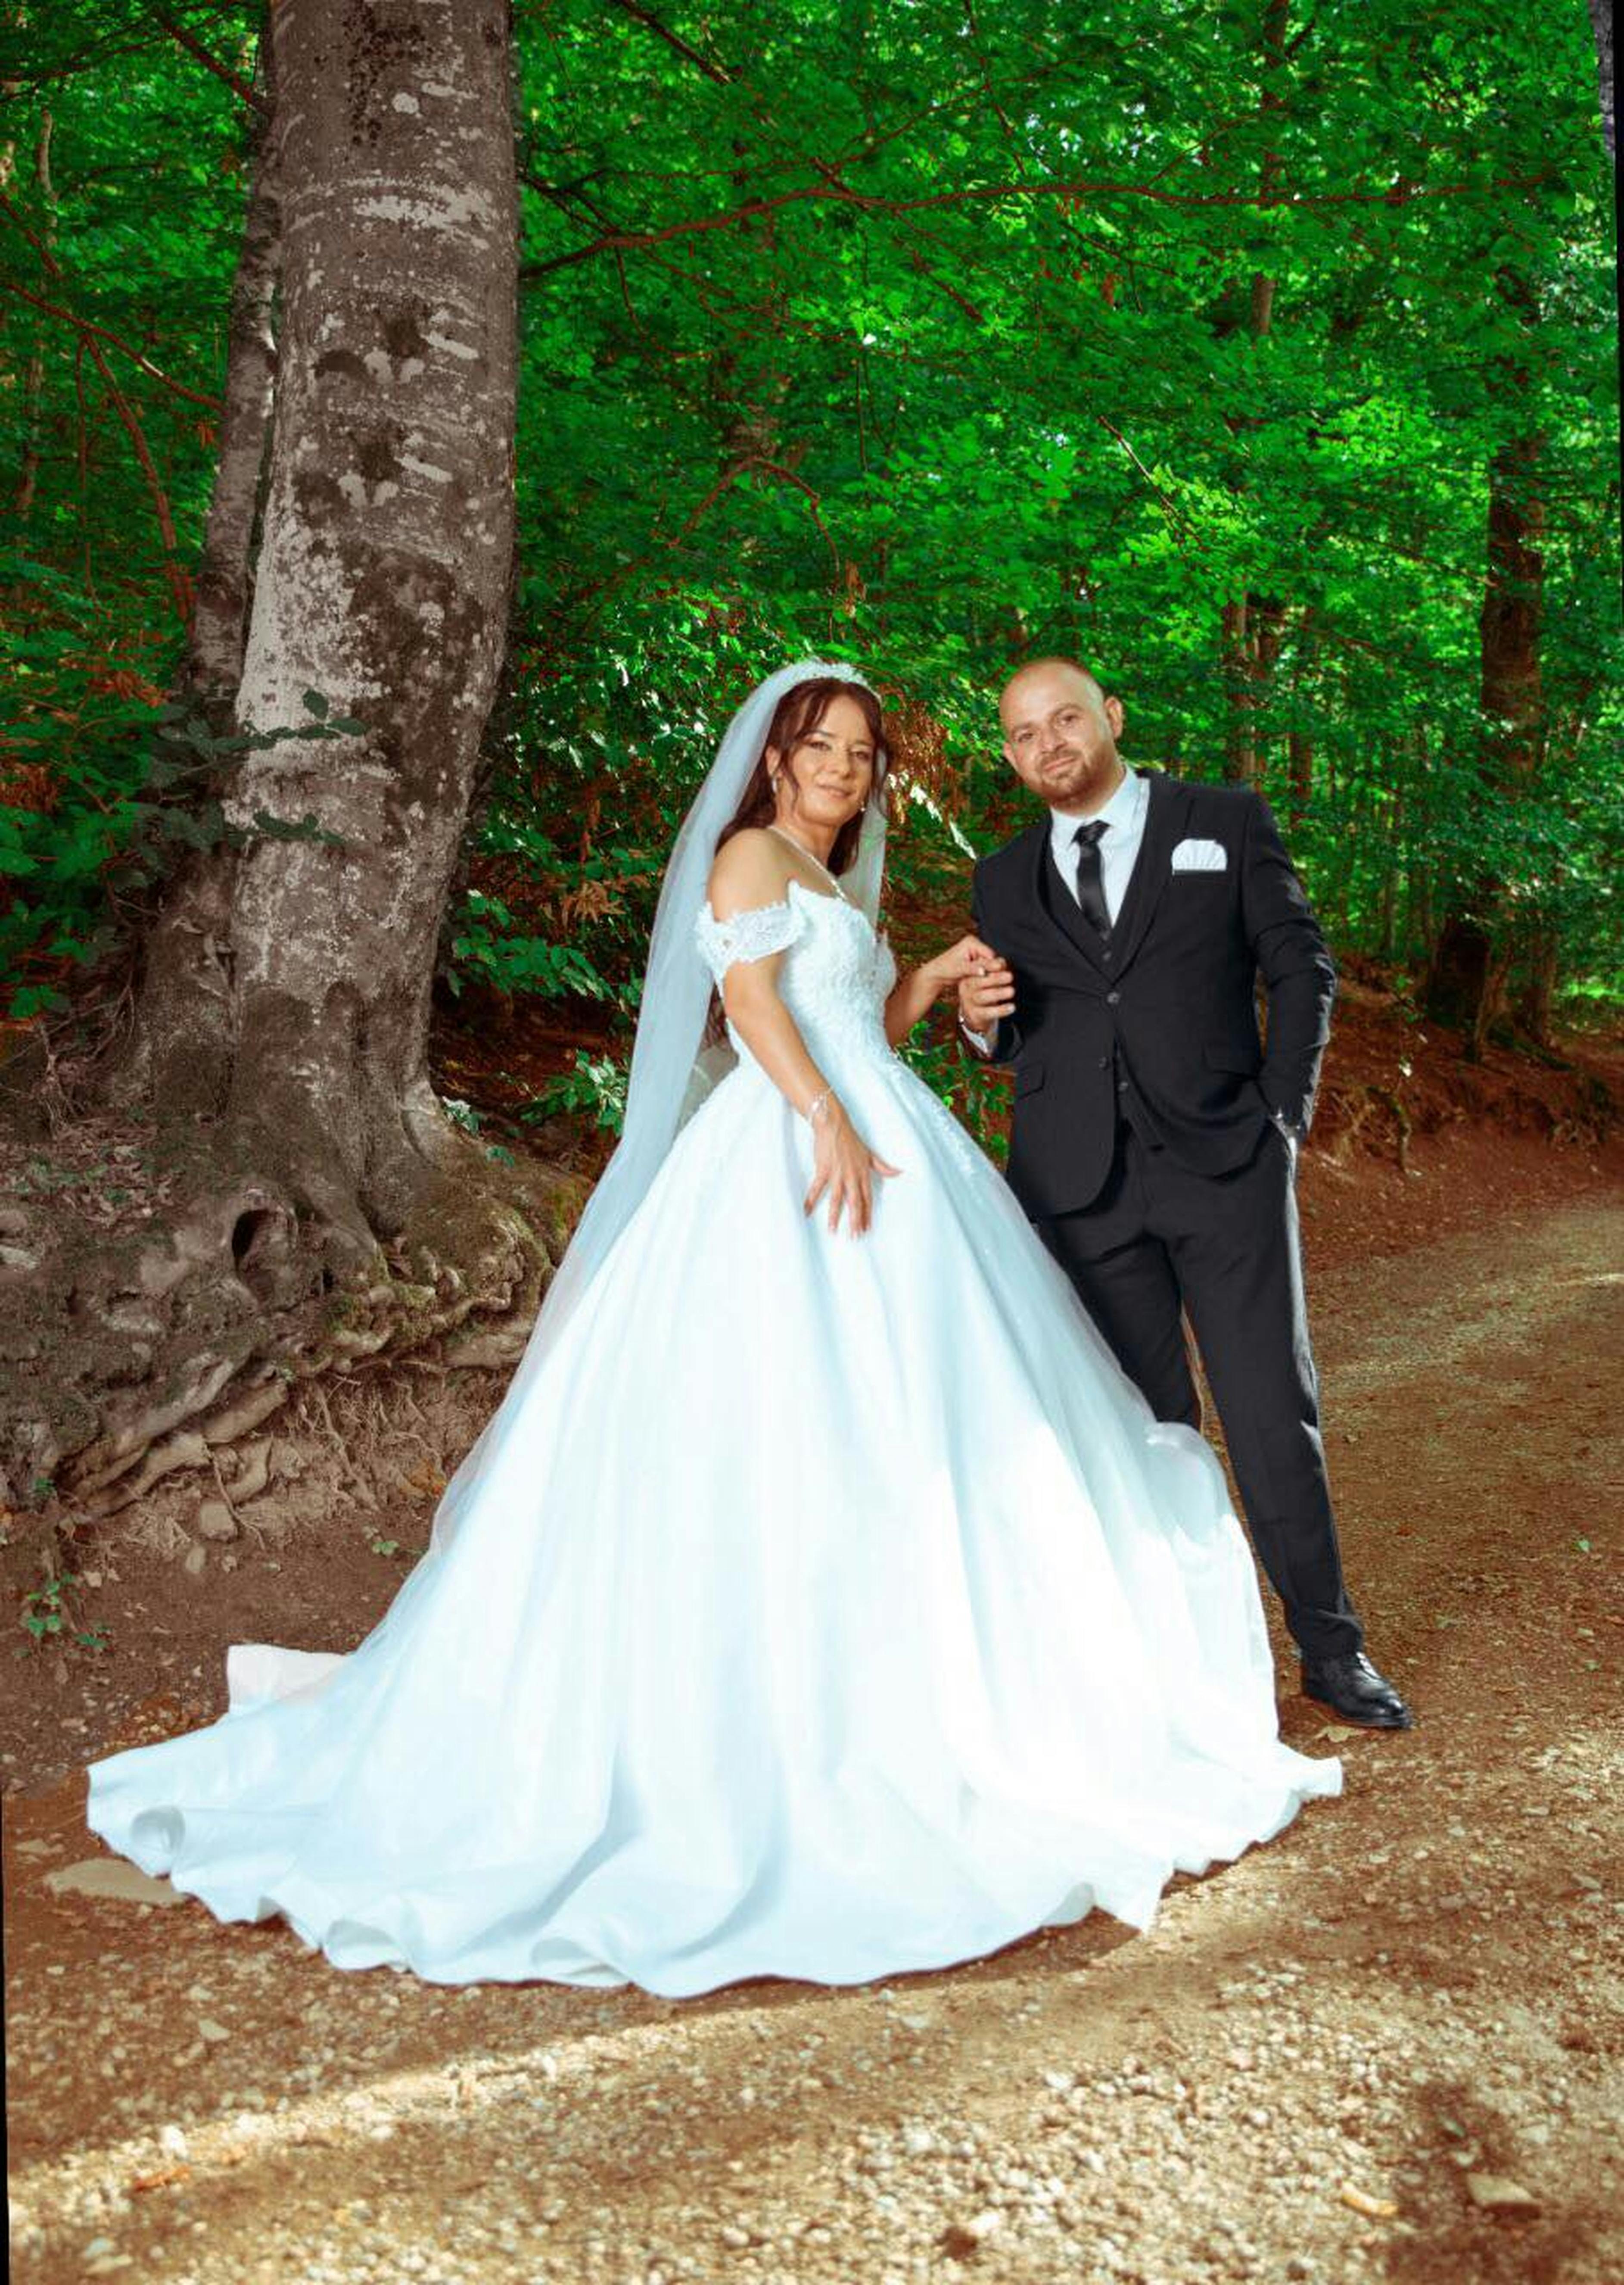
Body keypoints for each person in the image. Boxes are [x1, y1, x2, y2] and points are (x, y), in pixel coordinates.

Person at [85, 660, 1342, 1998]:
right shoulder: (749, 856)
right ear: (775, 759)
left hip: (878, 1130)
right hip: (797, 1151)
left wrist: (914, 981)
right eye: (820, 748)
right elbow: (752, 1016)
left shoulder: (832, 876)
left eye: (862, 753)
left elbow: (854, 1021)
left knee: (934, 1411)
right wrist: (824, 1119)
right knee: (786, 1418)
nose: (842, 770)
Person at [957, 657, 1412, 1730]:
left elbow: (1299, 966)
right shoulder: (1001, 877)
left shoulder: (1225, 818)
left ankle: (1328, 1646)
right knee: (1136, 1430)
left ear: (1110, 717)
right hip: (1078, 1191)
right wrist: (978, 1025)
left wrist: (1283, 1119)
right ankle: (1172, 1670)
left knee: (1269, 1414)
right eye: (1023, 735)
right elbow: (1010, 1031)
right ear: (1012, 757)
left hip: (1224, 1165)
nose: (1048, 744)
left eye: (1065, 719)